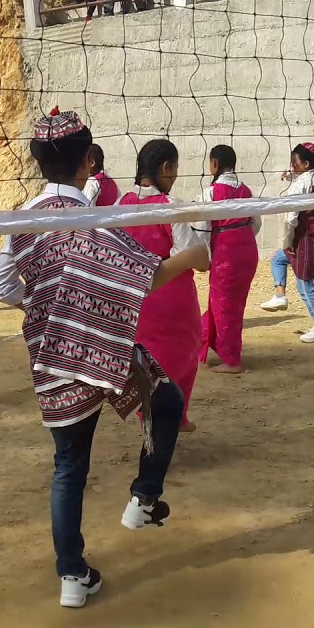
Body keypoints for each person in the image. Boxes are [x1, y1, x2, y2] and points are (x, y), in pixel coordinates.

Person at [0, 107, 209, 609]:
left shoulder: (19, 221)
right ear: (89, 159)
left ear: (38, 162)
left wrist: (50, 303)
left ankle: (72, 576)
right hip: (105, 351)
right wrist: (191, 259)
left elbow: (5, 287)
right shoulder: (97, 219)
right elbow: (142, 279)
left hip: (52, 356)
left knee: (69, 466)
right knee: (170, 404)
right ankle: (143, 499)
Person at [118, 139, 205, 433]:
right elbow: (194, 255)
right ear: (166, 167)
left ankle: (151, 421)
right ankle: (176, 418)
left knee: (146, 364)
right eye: (176, 169)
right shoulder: (171, 206)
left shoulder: (120, 204)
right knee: (184, 357)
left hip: (134, 298)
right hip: (171, 297)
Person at [261, 143, 314, 343]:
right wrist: (292, 174)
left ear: (305, 163)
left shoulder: (300, 185)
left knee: (304, 280)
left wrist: (288, 240)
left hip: (305, 236)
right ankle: (280, 295)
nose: (292, 165)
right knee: (278, 259)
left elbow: (290, 217)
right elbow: (308, 185)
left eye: (295, 163)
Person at [195, 145, 260, 374]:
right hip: (247, 252)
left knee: (224, 307)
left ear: (214, 164)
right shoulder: (247, 190)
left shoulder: (209, 193)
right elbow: (256, 223)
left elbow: (201, 229)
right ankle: (203, 341)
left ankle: (232, 360)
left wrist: (205, 257)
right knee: (228, 304)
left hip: (226, 253)